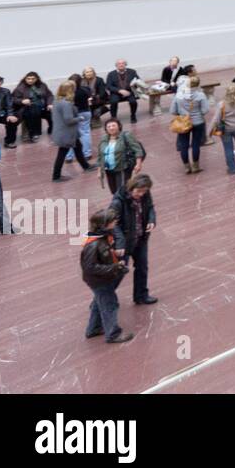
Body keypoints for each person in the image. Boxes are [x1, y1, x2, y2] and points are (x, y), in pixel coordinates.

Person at [81, 209, 133, 344]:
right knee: (110, 304)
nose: (115, 222)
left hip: (101, 278)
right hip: (99, 280)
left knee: (100, 302)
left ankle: (93, 329)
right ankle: (113, 334)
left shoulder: (102, 236)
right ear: (104, 224)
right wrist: (114, 267)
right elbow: (90, 267)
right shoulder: (93, 244)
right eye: (112, 221)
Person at [107, 173, 157, 305]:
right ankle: (101, 300)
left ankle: (141, 295)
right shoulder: (118, 201)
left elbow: (151, 207)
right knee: (118, 273)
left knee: (142, 267)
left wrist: (152, 220)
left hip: (141, 238)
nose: (141, 194)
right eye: (138, 191)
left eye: (144, 191)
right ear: (131, 187)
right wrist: (120, 243)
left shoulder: (146, 194)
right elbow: (112, 223)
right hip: (125, 242)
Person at [51, 80, 90, 181]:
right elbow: (68, 120)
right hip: (67, 133)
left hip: (64, 132)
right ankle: (56, 176)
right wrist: (80, 118)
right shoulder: (66, 104)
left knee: (78, 147)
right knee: (62, 153)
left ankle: (86, 166)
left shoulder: (57, 101)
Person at [170, 75, 209, 174]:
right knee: (196, 144)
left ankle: (187, 167)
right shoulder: (200, 95)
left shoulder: (179, 95)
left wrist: (182, 113)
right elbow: (205, 110)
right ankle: (196, 166)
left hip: (183, 122)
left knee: (184, 145)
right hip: (198, 122)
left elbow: (173, 111)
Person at [97, 117, 145, 196]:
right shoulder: (104, 139)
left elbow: (137, 149)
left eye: (113, 125)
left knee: (122, 190)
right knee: (114, 191)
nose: (111, 128)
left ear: (119, 126)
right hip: (108, 169)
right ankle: (122, 204)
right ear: (106, 129)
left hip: (122, 168)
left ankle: (125, 206)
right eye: (109, 126)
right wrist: (99, 170)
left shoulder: (126, 136)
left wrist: (138, 164)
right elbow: (100, 155)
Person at [64, 72, 94, 166]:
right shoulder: (85, 89)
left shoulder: (68, 93)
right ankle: (87, 153)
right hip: (85, 112)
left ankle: (69, 156)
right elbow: (90, 97)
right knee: (85, 132)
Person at [12, 71, 51, 143]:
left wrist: (49, 104)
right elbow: (13, 99)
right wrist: (22, 101)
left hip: (42, 106)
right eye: (28, 79)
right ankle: (34, 133)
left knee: (52, 112)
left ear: (36, 79)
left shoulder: (42, 85)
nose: (30, 80)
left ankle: (52, 130)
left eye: (33, 79)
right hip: (28, 107)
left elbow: (49, 95)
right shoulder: (20, 88)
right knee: (33, 111)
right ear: (25, 79)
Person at [105, 59, 140, 123]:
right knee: (113, 101)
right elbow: (108, 86)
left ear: (125, 65)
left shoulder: (132, 72)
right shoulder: (111, 74)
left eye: (123, 63)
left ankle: (133, 115)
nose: (121, 65)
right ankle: (113, 117)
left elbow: (138, 81)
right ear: (116, 65)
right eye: (119, 64)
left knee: (133, 102)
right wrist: (119, 90)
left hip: (129, 91)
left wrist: (134, 85)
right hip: (116, 92)